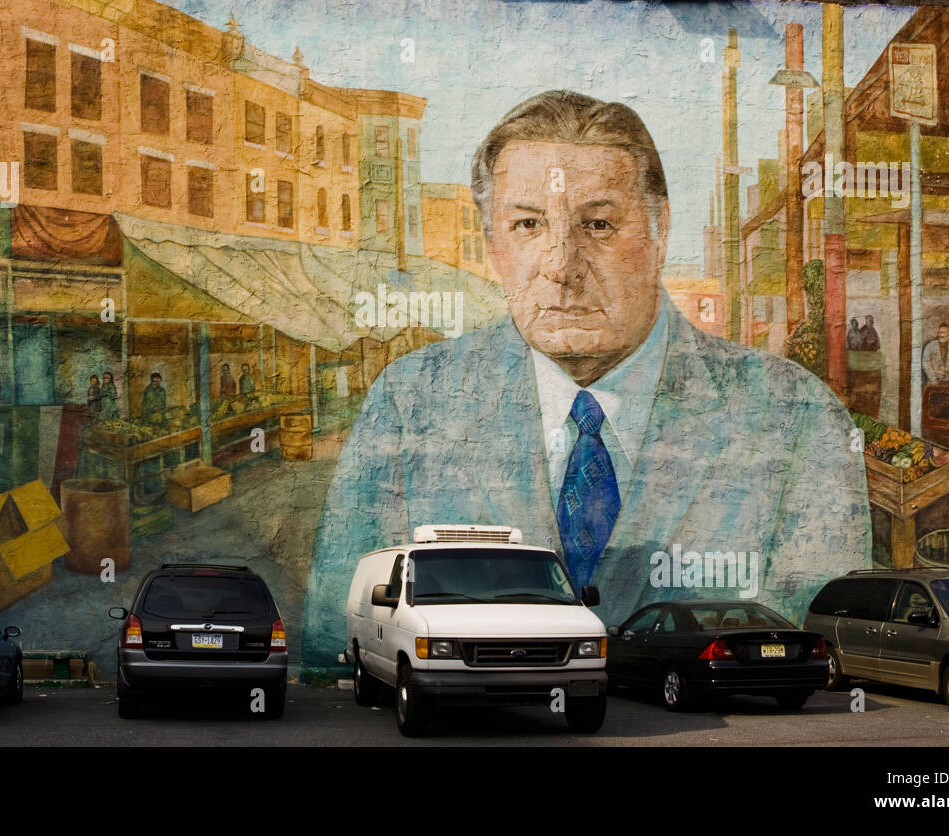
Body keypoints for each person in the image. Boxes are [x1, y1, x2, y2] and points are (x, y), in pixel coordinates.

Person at [301, 90, 871, 672]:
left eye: (598, 224)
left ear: (659, 232)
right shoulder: (409, 399)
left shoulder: (797, 418)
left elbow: (819, 651)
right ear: (493, 242)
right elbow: (334, 646)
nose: (561, 266)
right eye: (527, 224)